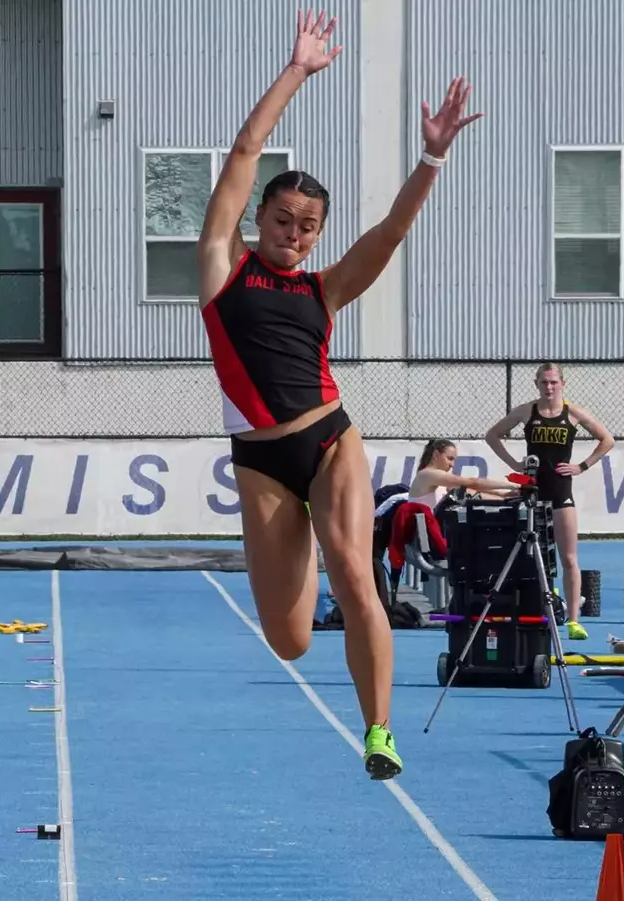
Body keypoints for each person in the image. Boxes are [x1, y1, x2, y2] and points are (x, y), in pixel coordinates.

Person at [195, 9, 482, 780]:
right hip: (260, 462)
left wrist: (432, 157)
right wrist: (298, 71)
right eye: (282, 219)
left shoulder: (322, 290)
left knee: (355, 569)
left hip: (328, 438)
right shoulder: (223, 267)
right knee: (289, 639)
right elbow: (245, 152)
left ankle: (378, 731)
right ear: (258, 218)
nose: (293, 232)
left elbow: (388, 234)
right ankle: (311, 550)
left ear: (319, 233)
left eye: (308, 225)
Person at [484, 363, 615, 640]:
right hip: (532, 491)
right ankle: (534, 607)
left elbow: (607, 440)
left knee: (569, 557)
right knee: (530, 555)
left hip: (560, 491)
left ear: (562, 384)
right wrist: (515, 464)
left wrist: (582, 466)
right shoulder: (526, 411)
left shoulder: (573, 413)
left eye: (554, 382)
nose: (549, 387)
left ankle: (574, 621)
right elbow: (492, 435)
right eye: (544, 382)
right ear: (537, 384)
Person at [406, 439, 517, 508]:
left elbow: (470, 490)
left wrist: (503, 495)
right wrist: (514, 485)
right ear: (436, 454)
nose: (452, 465)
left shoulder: (438, 481)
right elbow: (473, 482)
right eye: (449, 458)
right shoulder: (427, 474)